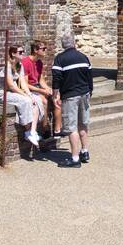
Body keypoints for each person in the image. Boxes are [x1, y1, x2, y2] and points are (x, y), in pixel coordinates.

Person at [51, 33, 94, 167]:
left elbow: (56, 79)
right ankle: (85, 151)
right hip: (84, 93)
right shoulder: (83, 57)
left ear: (63, 45)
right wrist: (89, 91)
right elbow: (89, 77)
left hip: (70, 96)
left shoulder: (60, 59)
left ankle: (75, 159)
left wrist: (55, 95)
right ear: (74, 43)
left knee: (71, 127)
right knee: (83, 123)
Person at [3, 45, 43, 151]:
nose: (23, 54)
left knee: (36, 99)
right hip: (4, 93)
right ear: (13, 53)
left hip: (13, 92)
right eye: (20, 52)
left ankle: (32, 131)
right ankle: (27, 130)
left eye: (23, 51)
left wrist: (29, 94)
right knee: (25, 101)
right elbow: (11, 85)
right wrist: (25, 96)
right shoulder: (6, 66)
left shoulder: (19, 65)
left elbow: (22, 82)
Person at [22, 40, 59, 135]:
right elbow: (25, 84)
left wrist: (47, 88)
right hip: (28, 89)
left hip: (36, 87)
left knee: (57, 97)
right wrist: (41, 90)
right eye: (43, 49)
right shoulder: (25, 62)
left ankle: (58, 129)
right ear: (35, 50)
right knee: (44, 101)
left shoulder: (39, 63)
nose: (45, 51)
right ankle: (45, 127)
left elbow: (40, 80)